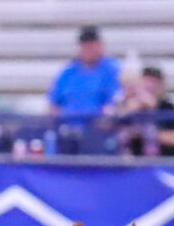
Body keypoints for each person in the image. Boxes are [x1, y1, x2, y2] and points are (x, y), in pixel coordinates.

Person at [50, 25, 121, 153]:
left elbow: (114, 104)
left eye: (92, 44)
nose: (88, 49)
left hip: (99, 134)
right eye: (85, 45)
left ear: (100, 45)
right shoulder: (68, 72)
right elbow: (54, 104)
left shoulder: (112, 70)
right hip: (68, 133)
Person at [119, 66, 174, 157]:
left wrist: (146, 134)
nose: (150, 85)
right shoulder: (125, 104)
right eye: (147, 81)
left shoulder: (167, 107)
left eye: (155, 82)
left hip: (163, 162)